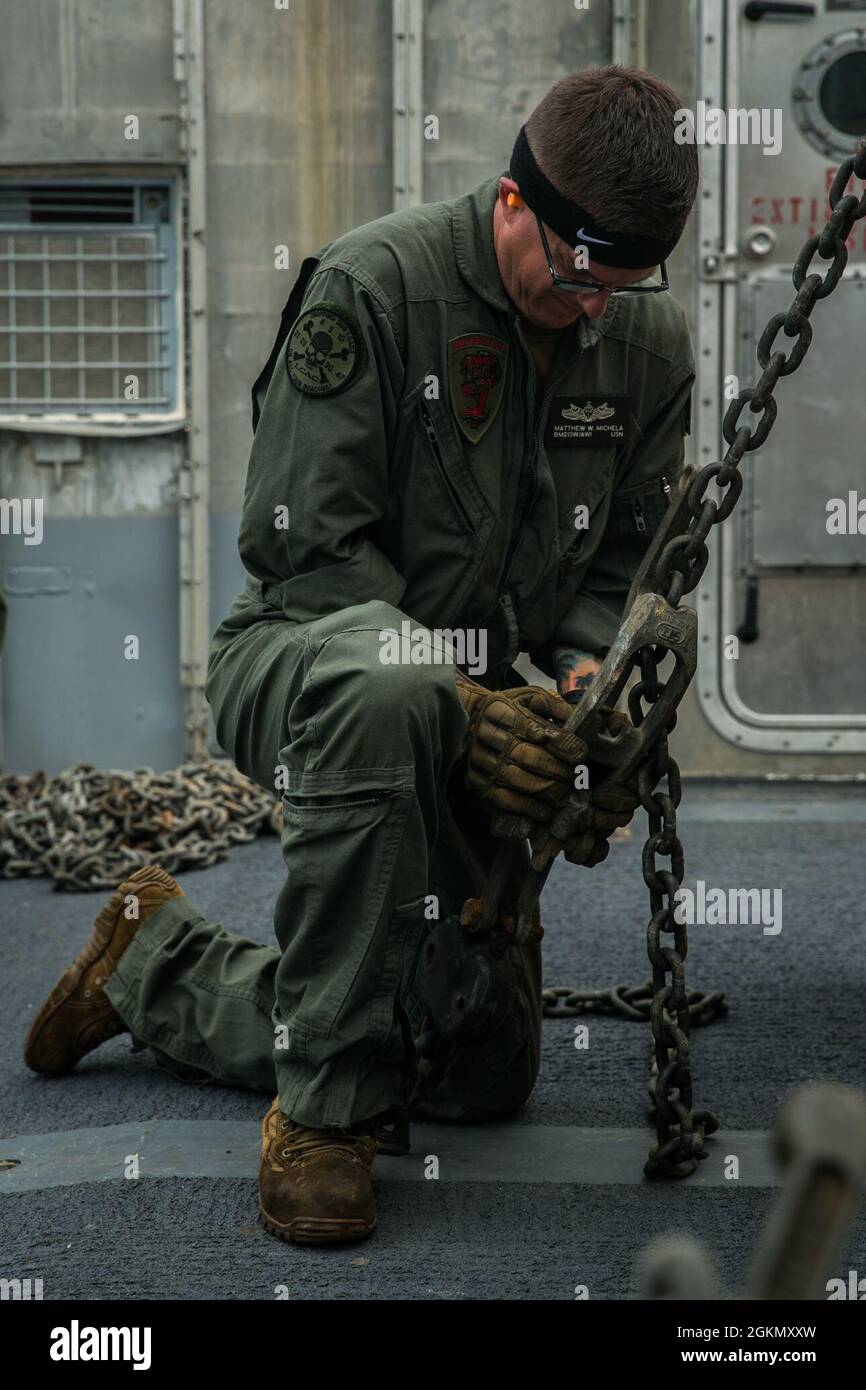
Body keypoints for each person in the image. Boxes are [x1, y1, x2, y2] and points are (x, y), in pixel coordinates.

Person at [24, 66, 698, 1246]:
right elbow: (305, 552)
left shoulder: (641, 343)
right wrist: (463, 703)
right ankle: (321, 1117)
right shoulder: (371, 290)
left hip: (470, 701)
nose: (594, 307)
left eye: (621, 285)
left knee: (473, 1070)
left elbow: (616, 577)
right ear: (512, 201)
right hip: (303, 659)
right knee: (390, 686)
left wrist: (585, 703)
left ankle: (151, 961)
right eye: (575, 273)